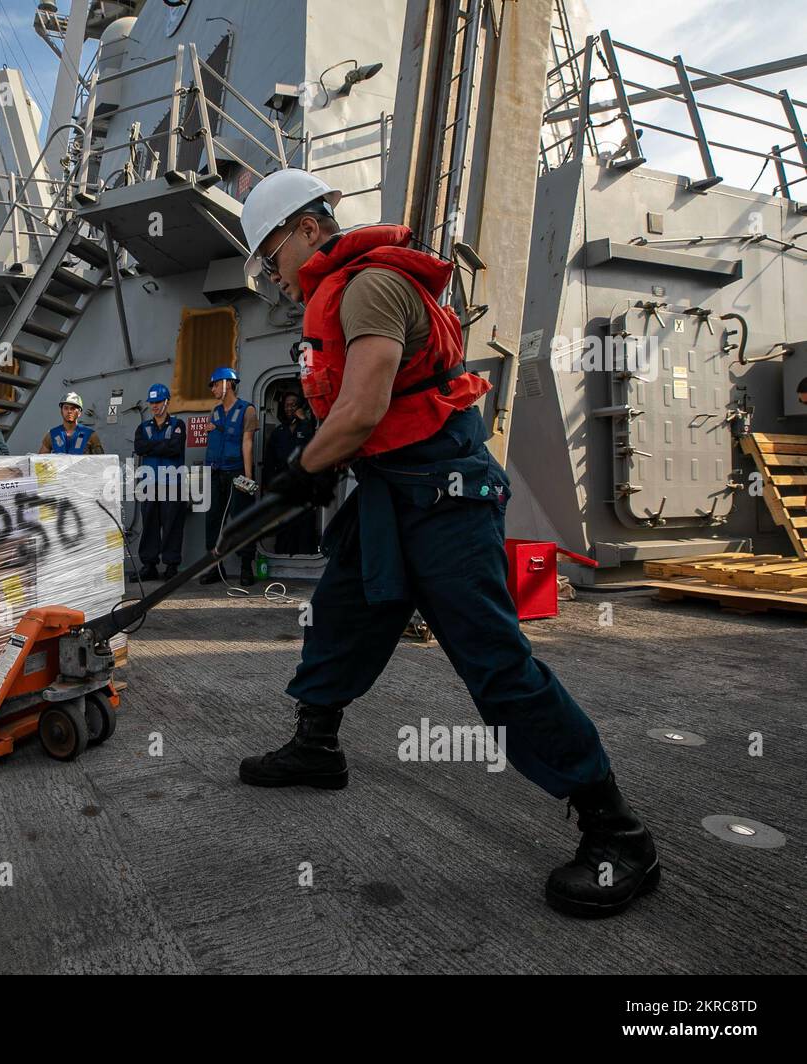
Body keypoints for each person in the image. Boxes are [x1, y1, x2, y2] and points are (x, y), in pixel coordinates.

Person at [235, 167, 658, 919]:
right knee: (341, 613)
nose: (276, 277)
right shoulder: (340, 291)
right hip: (394, 491)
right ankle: (317, 744)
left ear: (307, 229)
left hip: (444, 496)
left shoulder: (367, 287)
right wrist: (305, 476)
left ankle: (616, 830)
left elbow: (364, 406)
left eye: (272, 258)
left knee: (493, 663)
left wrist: (296, 478)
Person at [199, 366, 259, 586]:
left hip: (236, 472)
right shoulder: (214, 412)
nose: (213, 389)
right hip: (215, 472)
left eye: (214, 384)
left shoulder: (247, 410)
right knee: (213, 521)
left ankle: (246, 567)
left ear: (227, 384)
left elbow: (247, 443)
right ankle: (215, 567)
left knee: (241, 520)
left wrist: (248, 477)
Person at [133, 383, 187, 580]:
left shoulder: (178, 425)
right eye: (152, 403)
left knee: (172, 524)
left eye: (158, 402)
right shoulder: (143, 427)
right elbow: (140, 447)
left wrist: (151, 447)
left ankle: (171, 565)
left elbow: (174, 449)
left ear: (166, 402)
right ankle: (149, 565)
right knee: (149, 524)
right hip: (149, 483)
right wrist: (161, 445)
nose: (154, 406)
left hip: (172, 483)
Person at [264, 392, 318, 555]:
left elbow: (316, 446)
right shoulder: (278, 432)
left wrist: (304, 421)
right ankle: (282, 554)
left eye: (293, 404)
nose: (289, 408)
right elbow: (269, 461)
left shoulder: (308, 427)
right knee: (284, 524)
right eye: (287, 405)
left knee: (304, 524)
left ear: (300, 406)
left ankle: (305, 557)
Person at [39, 392, 104, 454]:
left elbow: (101, 461)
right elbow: (40, 461)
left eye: (72, 408)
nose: (69, 411)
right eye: (66, 408)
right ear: (61, 411)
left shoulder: (91, 435)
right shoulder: (52, 435)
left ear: (79, 413)